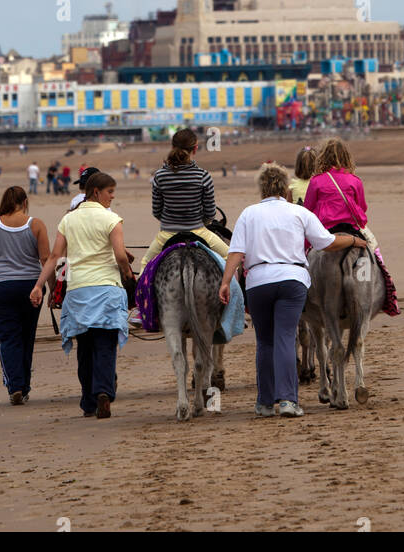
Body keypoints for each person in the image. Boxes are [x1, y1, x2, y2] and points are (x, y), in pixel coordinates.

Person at [218, 163, 363, 418]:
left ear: (261, 188)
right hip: (292, 280)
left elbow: (236, 252)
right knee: (285, 338)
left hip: (259, 282)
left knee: (265, 342)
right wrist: (352, 239)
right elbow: (326, 242)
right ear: (285, 188)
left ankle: (264, 403)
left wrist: (225, 282)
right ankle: (288, 400)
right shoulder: (298, 212)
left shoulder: (248, 214)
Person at [30, 172, 132, 419]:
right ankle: (104, 392)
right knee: (105, 345)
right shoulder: (112, 219)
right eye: (110, 191)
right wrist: (127, 272)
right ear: (96, 192)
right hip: (106, 289)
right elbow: (120, 255)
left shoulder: (69, 220)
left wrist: (38, 286)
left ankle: (88, 401)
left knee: (85, 348)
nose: (113, 196)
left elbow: (54, 257)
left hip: (78, 291)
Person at [0, 186, 50, 405]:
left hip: (2, 286)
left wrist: (4, 266)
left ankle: (15, 385)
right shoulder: (36, 224)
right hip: (31, 285)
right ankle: (25, 385)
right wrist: (52, 287)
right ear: (25, 201)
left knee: (7, 337)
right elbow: (46, 259)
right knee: (26, 336)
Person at [139, 129, 230, 271]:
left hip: (167, 233)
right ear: (195, 149)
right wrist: (200, 223)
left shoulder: (160, 176)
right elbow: (210, 212)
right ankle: (234, 293)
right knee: (231, 259)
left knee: (145, 265)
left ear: (172, 147)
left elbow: (157, 211)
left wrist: (170, 222)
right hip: (198, 230)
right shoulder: (203, 176)